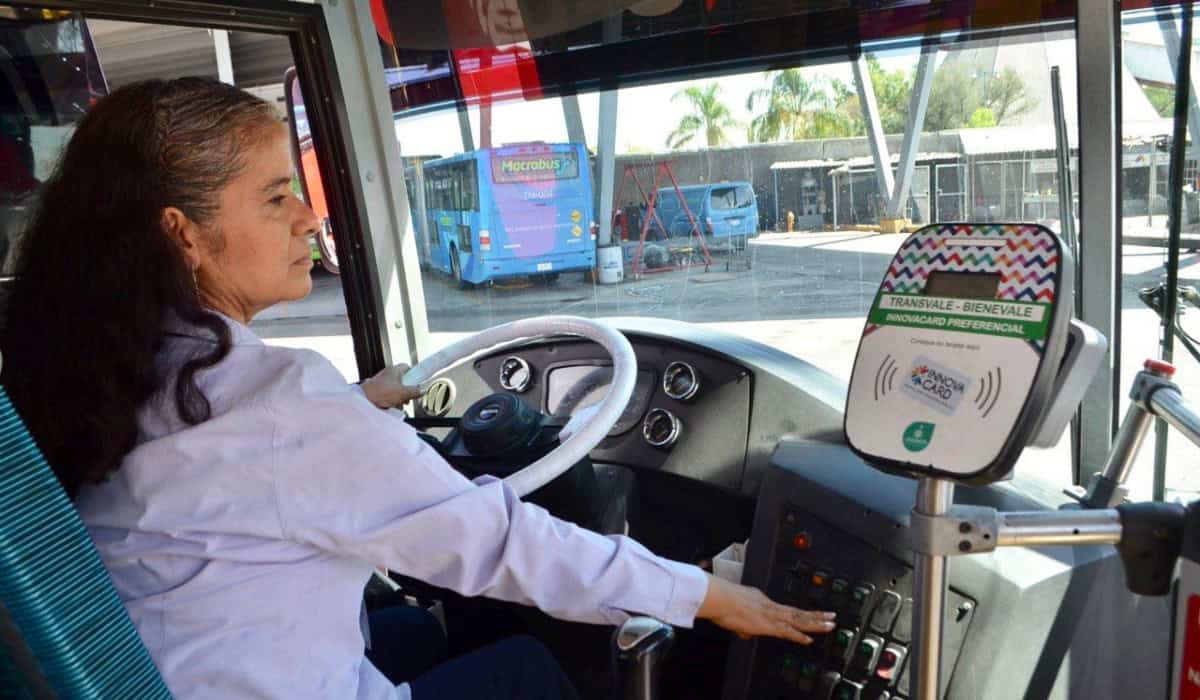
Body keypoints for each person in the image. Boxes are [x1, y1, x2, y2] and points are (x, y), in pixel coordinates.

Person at [0, 77, 835, 700]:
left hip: (174, 668)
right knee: (528, 668)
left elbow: (234, 475)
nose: (308, 218)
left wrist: (356, 409)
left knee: (408, 628)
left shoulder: (113, 366)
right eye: (276, 196)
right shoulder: (278, 402)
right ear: (183, 233)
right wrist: (711, 595)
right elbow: (502, 546)